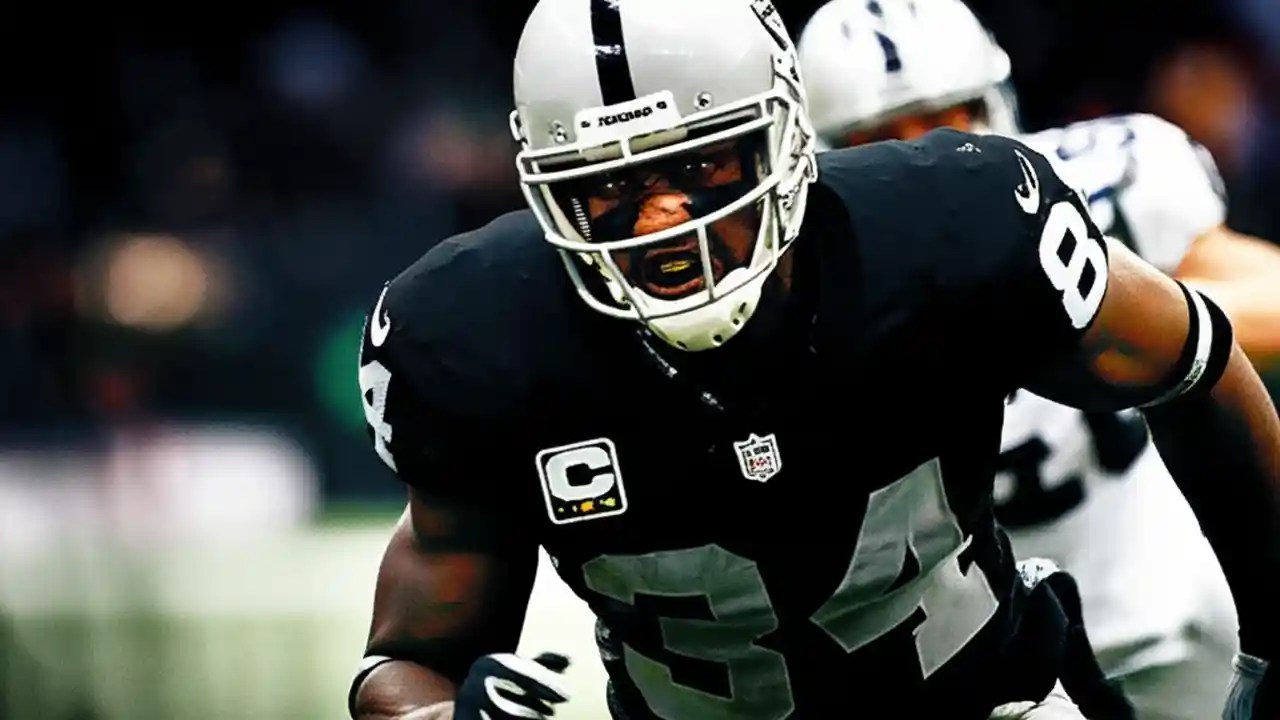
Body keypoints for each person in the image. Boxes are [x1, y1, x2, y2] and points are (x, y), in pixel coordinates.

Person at [348, 0, 1280, 718]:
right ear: (548, 192)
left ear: (789, 140)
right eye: (614, 186)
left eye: (703, 164)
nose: (668, 221)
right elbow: (401, 658)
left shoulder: (956, 226)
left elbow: (1198, 360)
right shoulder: (469, 334)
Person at [796, 1, 1280, 717]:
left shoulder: (1080, 194)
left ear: (995, 105)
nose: (922, 158)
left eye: (947, 122)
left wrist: (1099, 315)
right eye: (876, 140)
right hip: (975, 659)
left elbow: (1266, 295)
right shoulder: (794, 292)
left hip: (1170, 619)